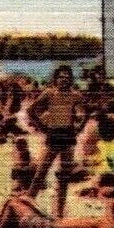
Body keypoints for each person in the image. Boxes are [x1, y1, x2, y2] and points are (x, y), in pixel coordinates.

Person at [26, 65, 88, 217]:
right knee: (41, 171)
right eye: (61, 77)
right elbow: (30, 110)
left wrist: (79, 128)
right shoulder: (49, 93)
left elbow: (86, 113)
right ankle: (28, 202)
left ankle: (59, 211)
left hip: (68, 135)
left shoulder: (75, 95)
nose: (64, 80)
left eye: (67, 77)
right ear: (56, 78)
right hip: (53, 134)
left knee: (64, 176)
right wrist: (43, 127)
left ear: (70, 79)